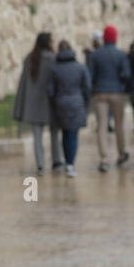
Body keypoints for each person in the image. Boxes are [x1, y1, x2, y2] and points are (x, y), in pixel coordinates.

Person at [11, 32, 60, 175]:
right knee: (54, 133)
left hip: (33, 105)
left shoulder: (30, 58)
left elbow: (23, 83)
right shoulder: (54, 59)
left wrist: (21, 105)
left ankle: (40, 164)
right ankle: (56, 161)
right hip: (51, 103)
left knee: (37, 136)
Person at [86, 24, 131, 171]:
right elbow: (127, 75)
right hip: (117, 92)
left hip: (100, 93)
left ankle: (104, 158)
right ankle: (121, 153)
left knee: (102, 126)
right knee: (119, 125)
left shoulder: (95, 55)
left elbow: (90, 75)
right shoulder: (121, 55)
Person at [45, 39, 92, 177]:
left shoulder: (54, 68)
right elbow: (87, 87)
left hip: (61, 103)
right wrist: (85, 101)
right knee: (73, 134)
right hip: (77, 102)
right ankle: (70, 163)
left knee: (65, 133)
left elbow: (50, 90)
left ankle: (67, 161)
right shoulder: (80, 67)